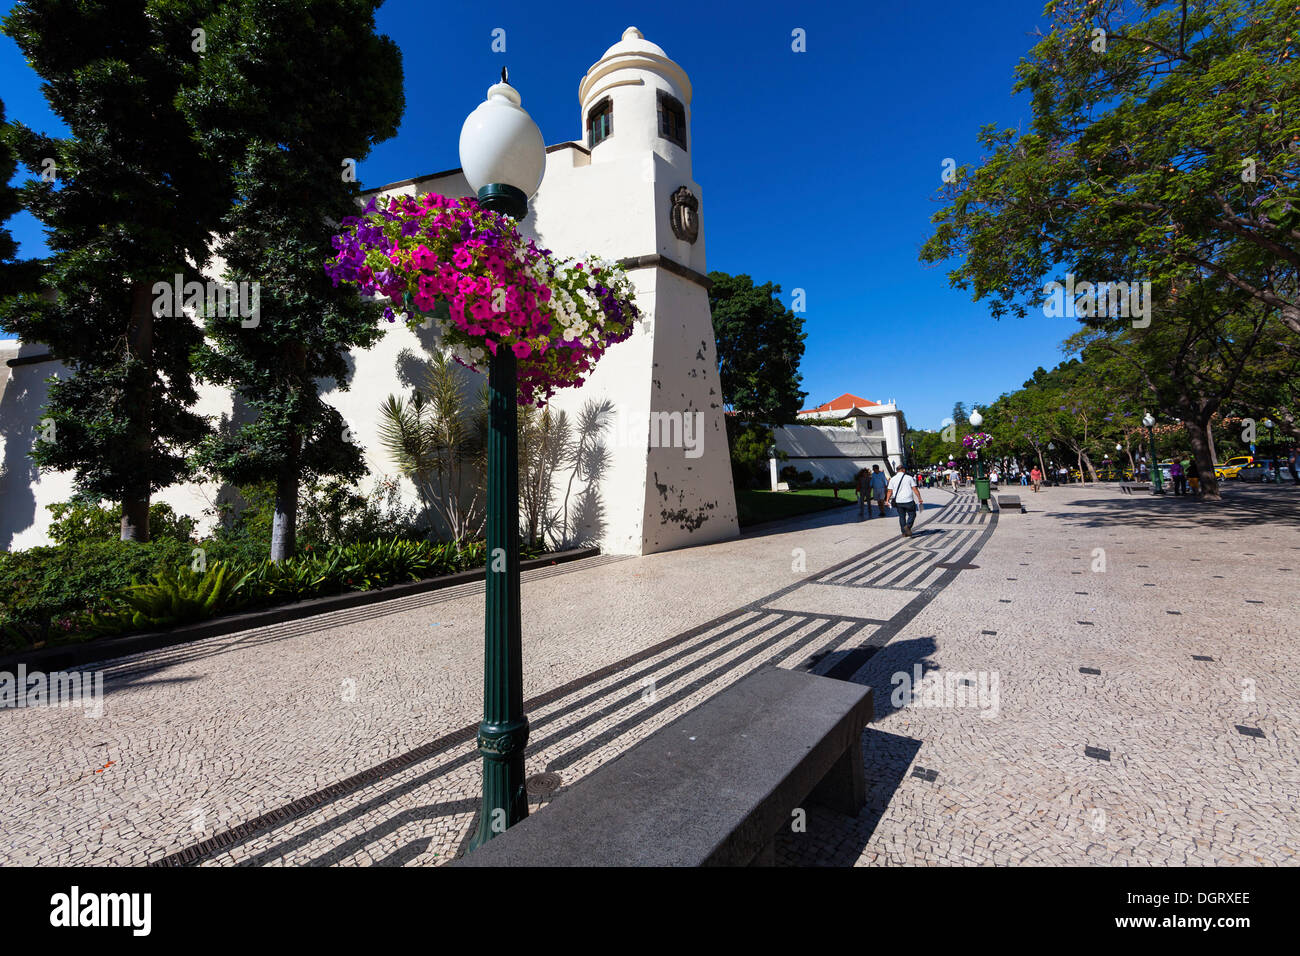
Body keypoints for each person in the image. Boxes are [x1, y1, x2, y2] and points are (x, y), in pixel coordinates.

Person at [885, 463, 923, 538]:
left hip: (898, 501)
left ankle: (904, 532)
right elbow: (915, 489)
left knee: (902, 517)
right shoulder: (909, 478)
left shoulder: (892, 479)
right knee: (912, 514)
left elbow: (889, 491)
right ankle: (908, 527)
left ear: (897, 471)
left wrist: (887, 500)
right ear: (903, 470)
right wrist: (919, 498)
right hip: (909, 500)